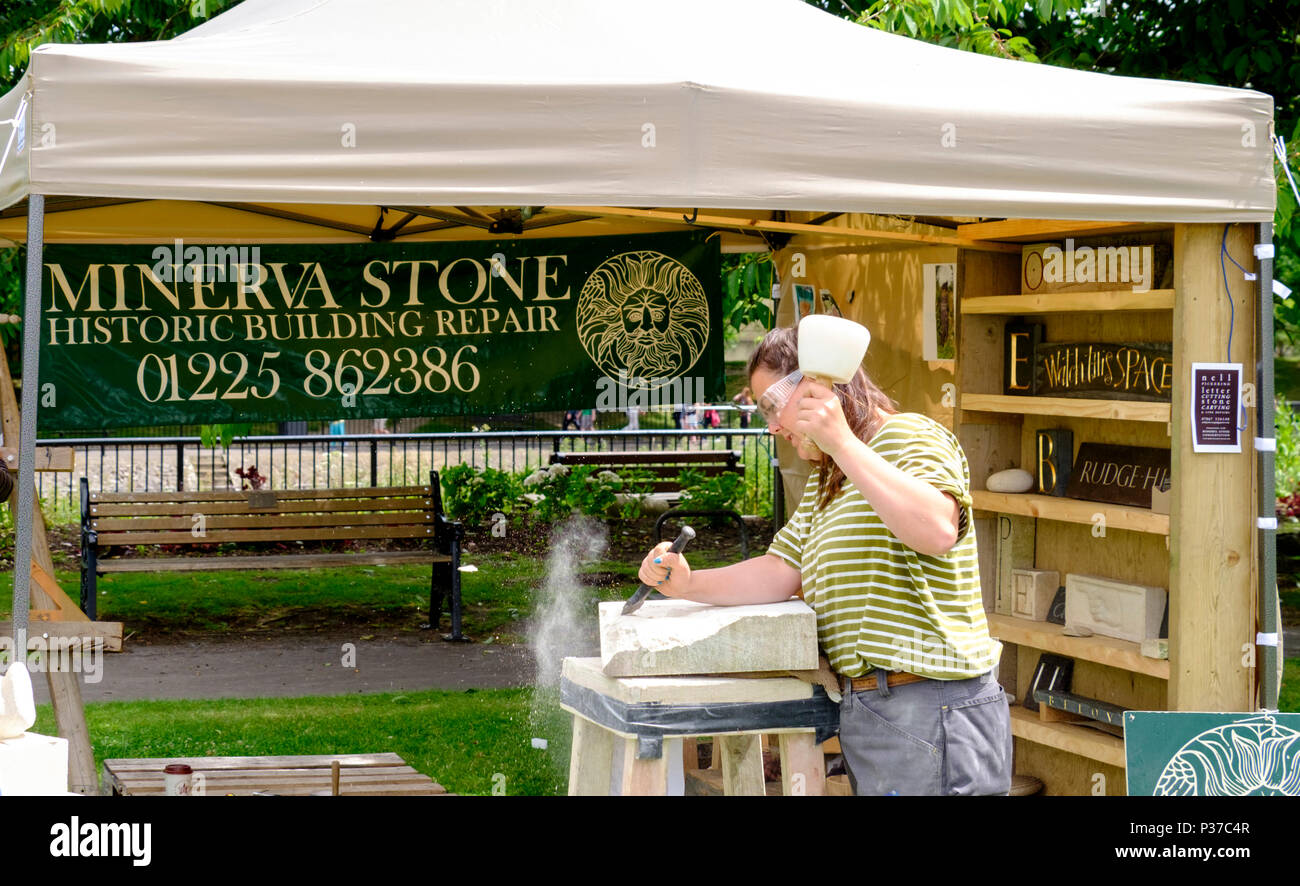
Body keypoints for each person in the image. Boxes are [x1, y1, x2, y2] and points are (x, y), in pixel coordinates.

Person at [638, 325, 1010, 796]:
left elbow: (936, 530)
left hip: (930, 699)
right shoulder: (829, 480)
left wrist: (844, 444)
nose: (772, 426)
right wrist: (689, 583)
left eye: (772, 406)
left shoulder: (909, 436)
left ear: (819, 385)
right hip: (877, 706)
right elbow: (778, 571)